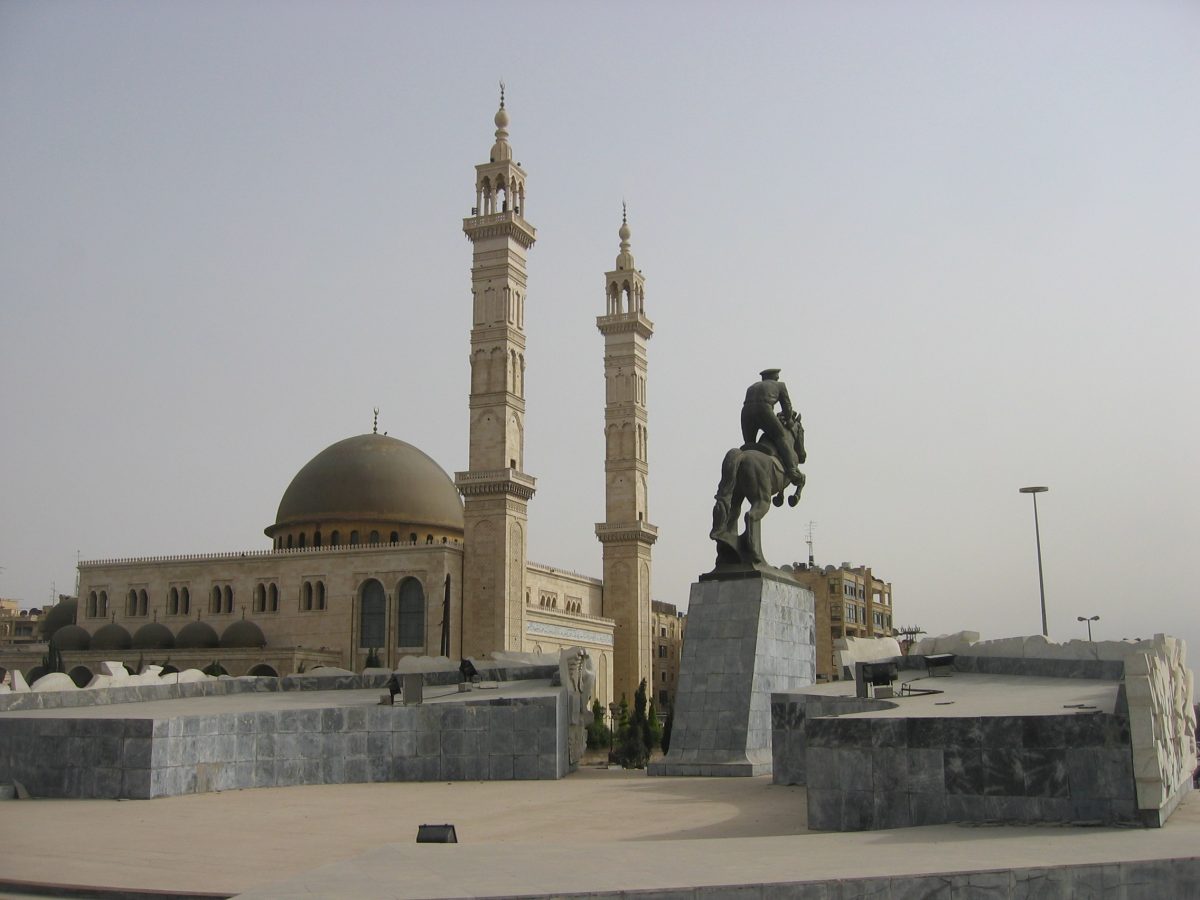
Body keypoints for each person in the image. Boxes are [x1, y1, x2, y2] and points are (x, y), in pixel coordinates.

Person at [741, 368, 802, 482]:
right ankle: (792, 469)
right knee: (781, 436)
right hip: (764, 410)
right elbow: (787, 407)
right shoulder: (780, 385)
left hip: (746, 414)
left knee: (749, 446)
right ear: (775, 377)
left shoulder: (752, 387)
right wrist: (788, 420)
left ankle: (745, 469)